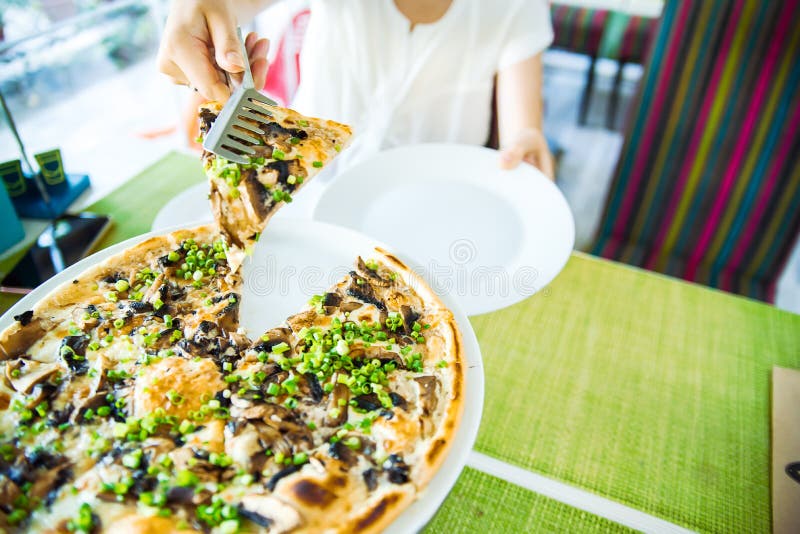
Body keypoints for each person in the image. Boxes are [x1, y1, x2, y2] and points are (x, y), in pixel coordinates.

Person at [158, 0, 555, 179]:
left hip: (428, 200)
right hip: (302, 183)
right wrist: (196, 8)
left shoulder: (517, 7)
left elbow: (522, 124)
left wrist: (525, 142)